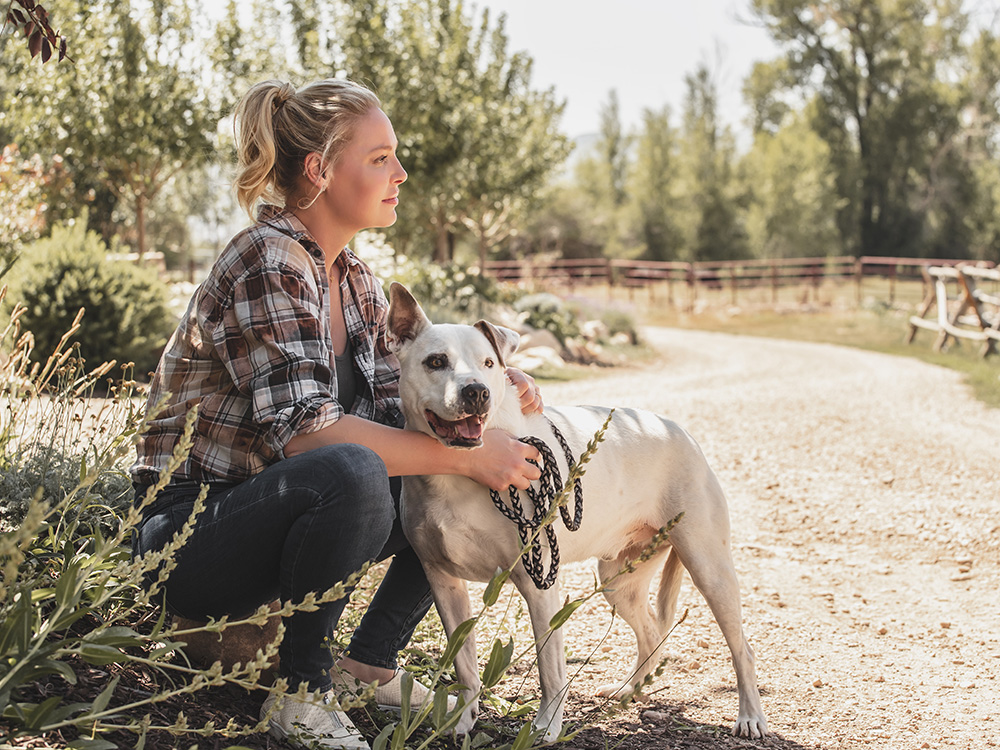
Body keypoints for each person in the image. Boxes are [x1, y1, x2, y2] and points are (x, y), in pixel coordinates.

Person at [130, 78, 544, 750]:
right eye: (380, 157)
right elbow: (307, 435)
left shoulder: (355, 281)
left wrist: (489, 389)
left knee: (426, 469)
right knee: (353, 467)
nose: (400, 172)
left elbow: (404, 419)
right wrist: (469, 454)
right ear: (320, 171)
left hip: (277, 515)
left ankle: (365, 666)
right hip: (187, 533)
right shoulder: (267, 261)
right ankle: (302, 693)